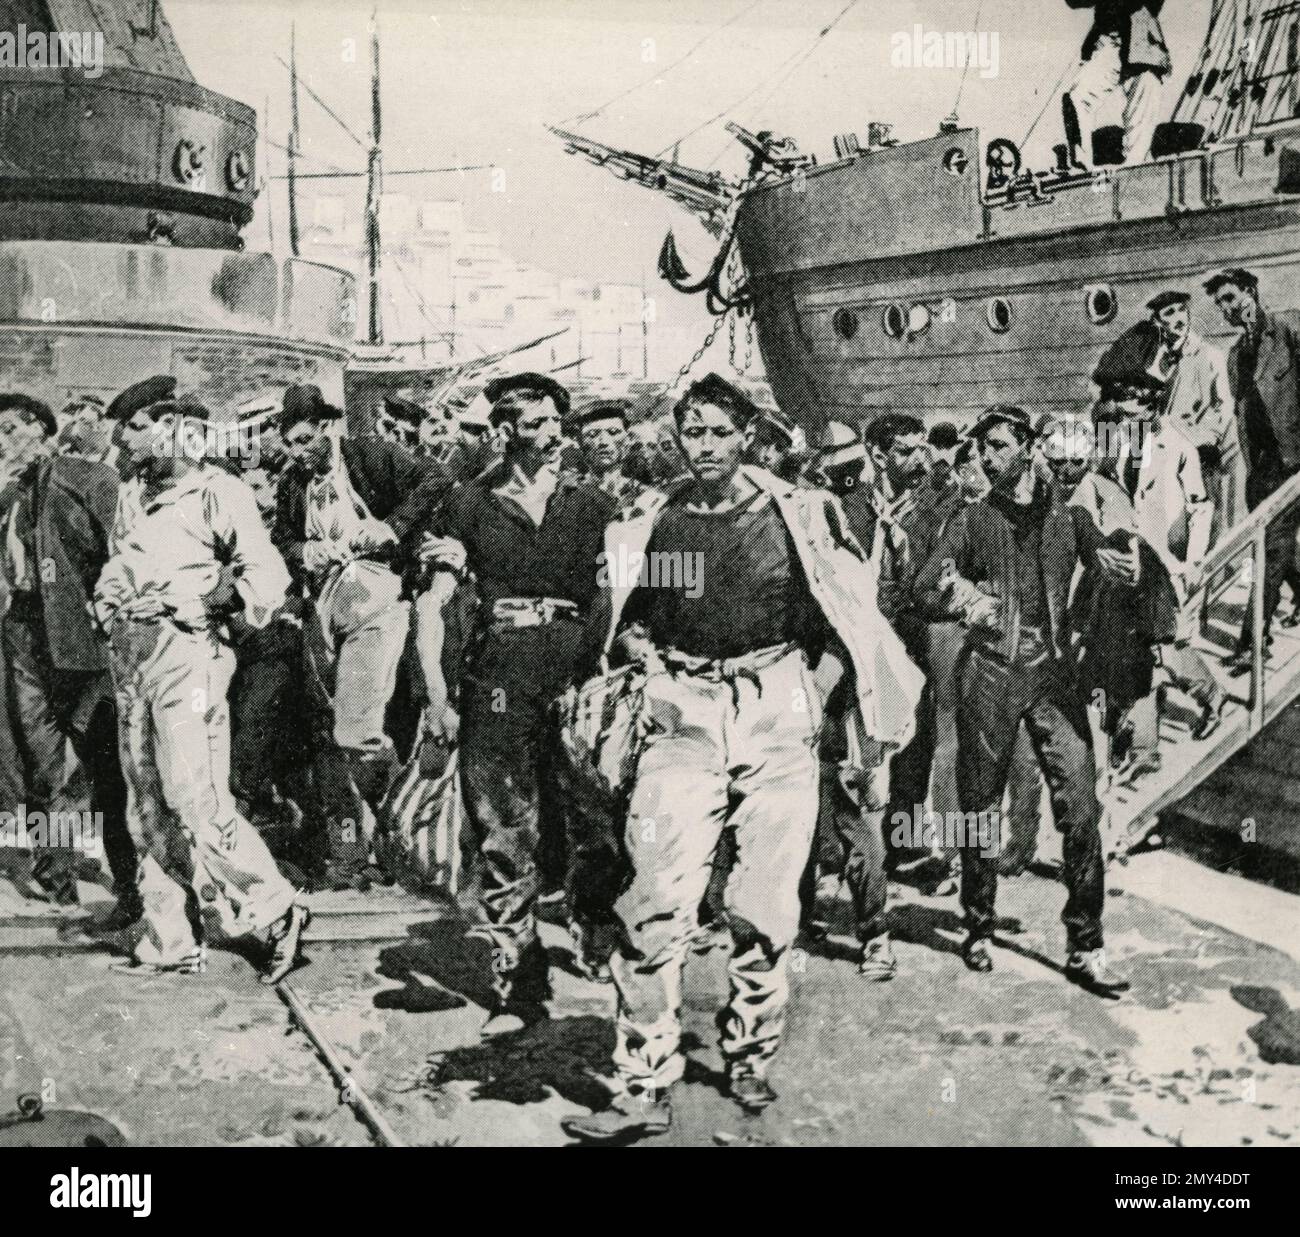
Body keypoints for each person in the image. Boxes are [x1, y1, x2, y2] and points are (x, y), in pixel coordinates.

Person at [561, 374, 923, 1143]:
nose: (705, 447)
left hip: (776, 703)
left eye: (720, 433)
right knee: (655, 898)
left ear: (748, 435)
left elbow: (845, 618)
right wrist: (651, 668)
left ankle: (750, 1051)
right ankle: (641, 1081)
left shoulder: (799, 514)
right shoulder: (661, 519)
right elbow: (633, 614)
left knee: (764, 907)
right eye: (693, 433)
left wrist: (816, 696)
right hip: (683, 713)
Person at [416, 373, 616, 1039]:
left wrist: (612, 665)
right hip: (498, 676)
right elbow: (434, 604)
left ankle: (594, 923)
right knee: (504, 831)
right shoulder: (467, 505)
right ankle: (520, 981)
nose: (553, 433)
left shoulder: (592, 505)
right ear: (504, 433)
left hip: (576, 674)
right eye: (535, 424)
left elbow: (617, 593)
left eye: (557, 421)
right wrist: (438, 695)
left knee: (596, 821)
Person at [915, 405, 1129, 994]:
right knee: (979, 805)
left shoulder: (1071, 517)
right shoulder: (971, 518)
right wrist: (963, 597)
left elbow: (1117, 570)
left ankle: (1086, 945)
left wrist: (1127, 571)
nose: (987, 459)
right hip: (990, 675)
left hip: (1054, 680)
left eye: (1001, 447)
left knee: (1082, 809)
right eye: (982, 449)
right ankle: (978, 924)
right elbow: (925, 582)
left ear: (1030, 447)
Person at [92, 394, 307, 981]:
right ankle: (170, 939)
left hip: (189, 653)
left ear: (172, 431)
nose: (123, 442)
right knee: (147, 803)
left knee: (195, 795)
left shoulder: (219, 491)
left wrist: (222, 597)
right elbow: (122, 563)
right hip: (133, 653)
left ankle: (274, 906)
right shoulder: (133, 495)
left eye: (134, 429)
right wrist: (108, 600)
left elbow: (267, 573)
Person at [275, 384, 438, 889]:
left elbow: (437, 478)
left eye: (306, 441)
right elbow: (281, 538)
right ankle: (349, 853)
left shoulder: (371, 455)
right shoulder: (293, 483)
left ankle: (405, 820)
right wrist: (302, 552)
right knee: (331, 740)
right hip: (323, 612)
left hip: (378, 603)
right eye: (291, 444)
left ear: (326, 428)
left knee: (358, 733)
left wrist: (391, 527)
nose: (299, 453)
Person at [0, 393, 137, 919]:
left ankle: (132, 885)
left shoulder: (87, 480)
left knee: (102, 767)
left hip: (83, 642)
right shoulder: (12, 493)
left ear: (40, 428)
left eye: (11, 429)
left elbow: (125, 551)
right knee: (41, 761)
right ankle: (57, 870)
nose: (4, 443)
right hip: (25, 638)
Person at [1205, 268, 1300, 667]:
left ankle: (1252, 642)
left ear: (1250, 292)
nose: (1226, 308)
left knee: (1271, 550)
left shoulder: (1288, 332)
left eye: (1230, 298)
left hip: (1292, 463)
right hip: (1259, 468)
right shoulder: (1233, 357)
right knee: (1274, 547)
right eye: (1220, 303)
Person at [1148, 290, 1243, 543]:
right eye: (1169, 313)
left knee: (1205, 528)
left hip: (1201, 453)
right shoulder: (1154, 362)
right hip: (1165, 455)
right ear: (1158, 322)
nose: (1179, 317)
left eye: (1181, 309)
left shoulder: (1210, 355)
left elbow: (1225, 404)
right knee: (1169, 531)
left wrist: (1208, 439)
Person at [1062, 1, 1171, 168]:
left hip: (1142, 46)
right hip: (1109, 42)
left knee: (1140, 126)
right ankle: (1082, 166)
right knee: (1078, 97)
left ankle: (1135, 169)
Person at [567, 399, 649, 503]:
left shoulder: (644, 495)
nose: (603, 442)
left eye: (613, 432)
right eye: (592, 434)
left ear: (628, 440)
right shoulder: (569, 493)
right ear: (580, 442)